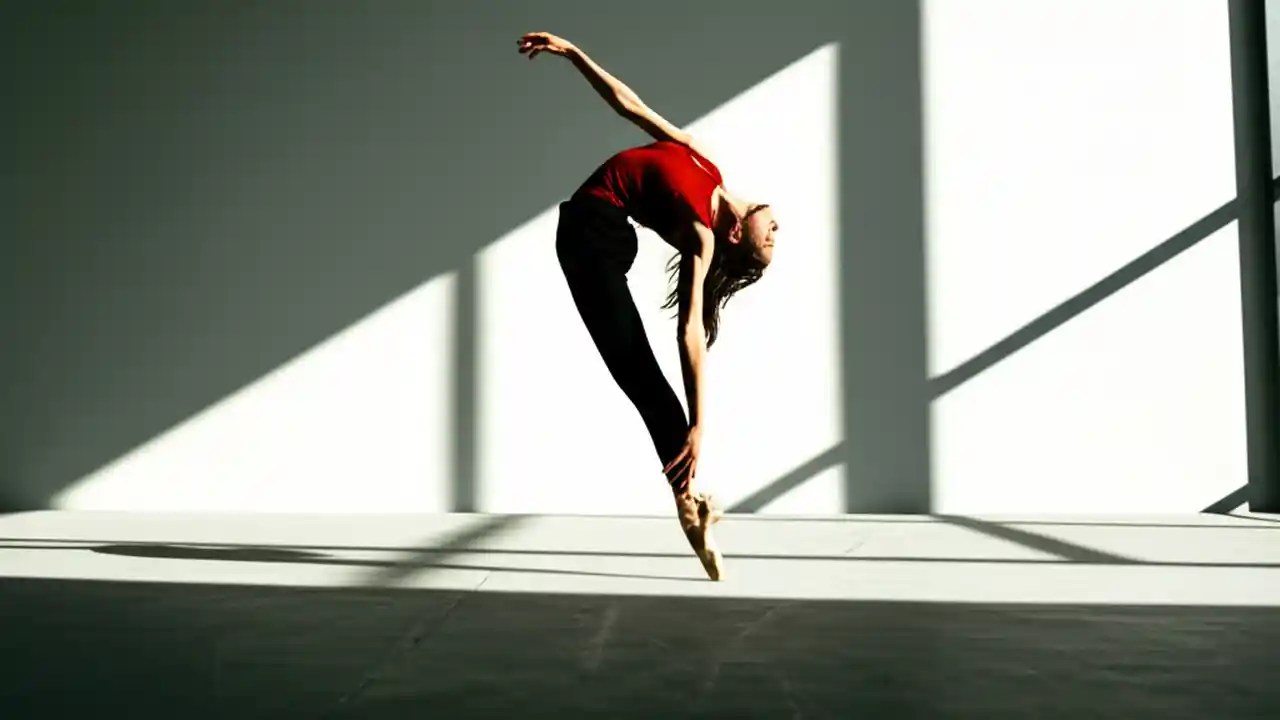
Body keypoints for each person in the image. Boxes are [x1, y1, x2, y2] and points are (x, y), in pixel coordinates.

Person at [518, 31, 779, 581]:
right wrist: (573, 55)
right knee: (636, 368)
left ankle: (690, 506)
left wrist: (700, 424)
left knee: (638, 369)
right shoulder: (706, 163)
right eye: (773, 232)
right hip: (593, 230)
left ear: (737, 237)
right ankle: (691, 504)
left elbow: (689, 333)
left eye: (768, 238)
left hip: (594, 241)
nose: (776, 227)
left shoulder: (703, 237)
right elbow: (630, 105)